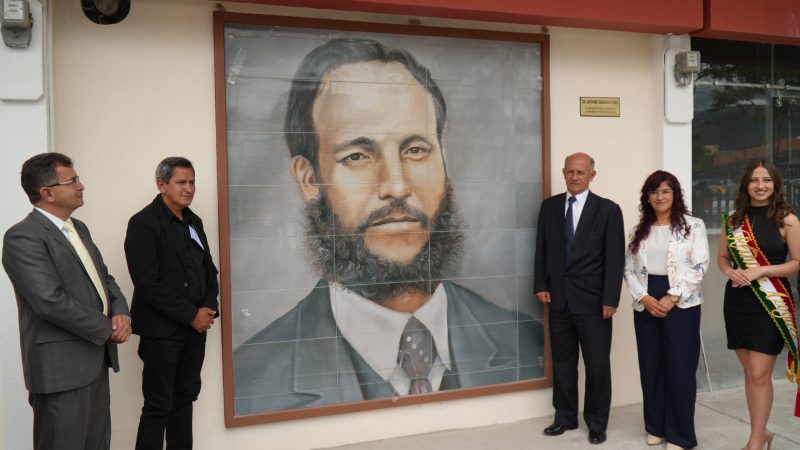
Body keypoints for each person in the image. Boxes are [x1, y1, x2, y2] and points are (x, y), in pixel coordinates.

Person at [233, 37, 544, 415]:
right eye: (358, 156)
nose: (396, 185)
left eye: (415, 150)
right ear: (309, 178)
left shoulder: (527, 342)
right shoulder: (253, 377)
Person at [2, 152, 131, 450]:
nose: (81, 186)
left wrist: (121, 313)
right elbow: (49, 300)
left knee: (97, 444)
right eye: (72, 181)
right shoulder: (23, 237)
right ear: (47, 193)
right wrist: (106, 327)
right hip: (60, 370)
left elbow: (105, 279)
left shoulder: (79, 228)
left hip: (95, 361)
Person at [125, 157, 219, 449]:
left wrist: (207, 307)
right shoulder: (143, 223)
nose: (189, 188)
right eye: (181, 182)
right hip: (162, 333)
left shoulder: (194, 220)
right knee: (158, 406)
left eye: (192, 182)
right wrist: (191, 314)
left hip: (195, 331)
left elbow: (208, 270)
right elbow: (147, 283)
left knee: (185, 400)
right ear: (161, 184)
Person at [533, 152, 624, 445]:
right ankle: (565, 417)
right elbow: (541, 250)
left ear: (592, 176)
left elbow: (614, 259)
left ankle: (597, 423)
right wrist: (540, 284)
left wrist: (611, 298)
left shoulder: (609, 210)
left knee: (597, 365)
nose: (575, 177)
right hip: (558, 299)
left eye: (581, 172)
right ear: (563, 173)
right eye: (570, 171)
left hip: (595, 302)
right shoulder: (549, 207)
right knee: (563, 363)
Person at [623, 171, 709, 450]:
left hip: (681, 302)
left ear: (675, 195)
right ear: (647, 197)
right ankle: (656, 427)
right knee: (651, 366)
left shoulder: (693, 226)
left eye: (666, 191)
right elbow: (628, 269)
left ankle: (680, 435)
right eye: (654, 192)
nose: (660, 197)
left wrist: (672, 297)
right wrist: (645, 298)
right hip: (646, 301)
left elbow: (699, 266)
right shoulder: (639, 230)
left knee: (680, 368)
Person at [718, 159, 800, 450]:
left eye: (766, 180)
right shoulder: (734, 220)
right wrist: (731, 272)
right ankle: (761, 432)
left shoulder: (787, 219)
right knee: (750, 374)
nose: (761, 185)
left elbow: (796, 263)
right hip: (738, 302)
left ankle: (755, 440)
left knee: (759, 373)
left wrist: (760, 270)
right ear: (746, 185)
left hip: (772, 302)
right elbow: (723, 259)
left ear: (775, 184)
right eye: (754, 180)